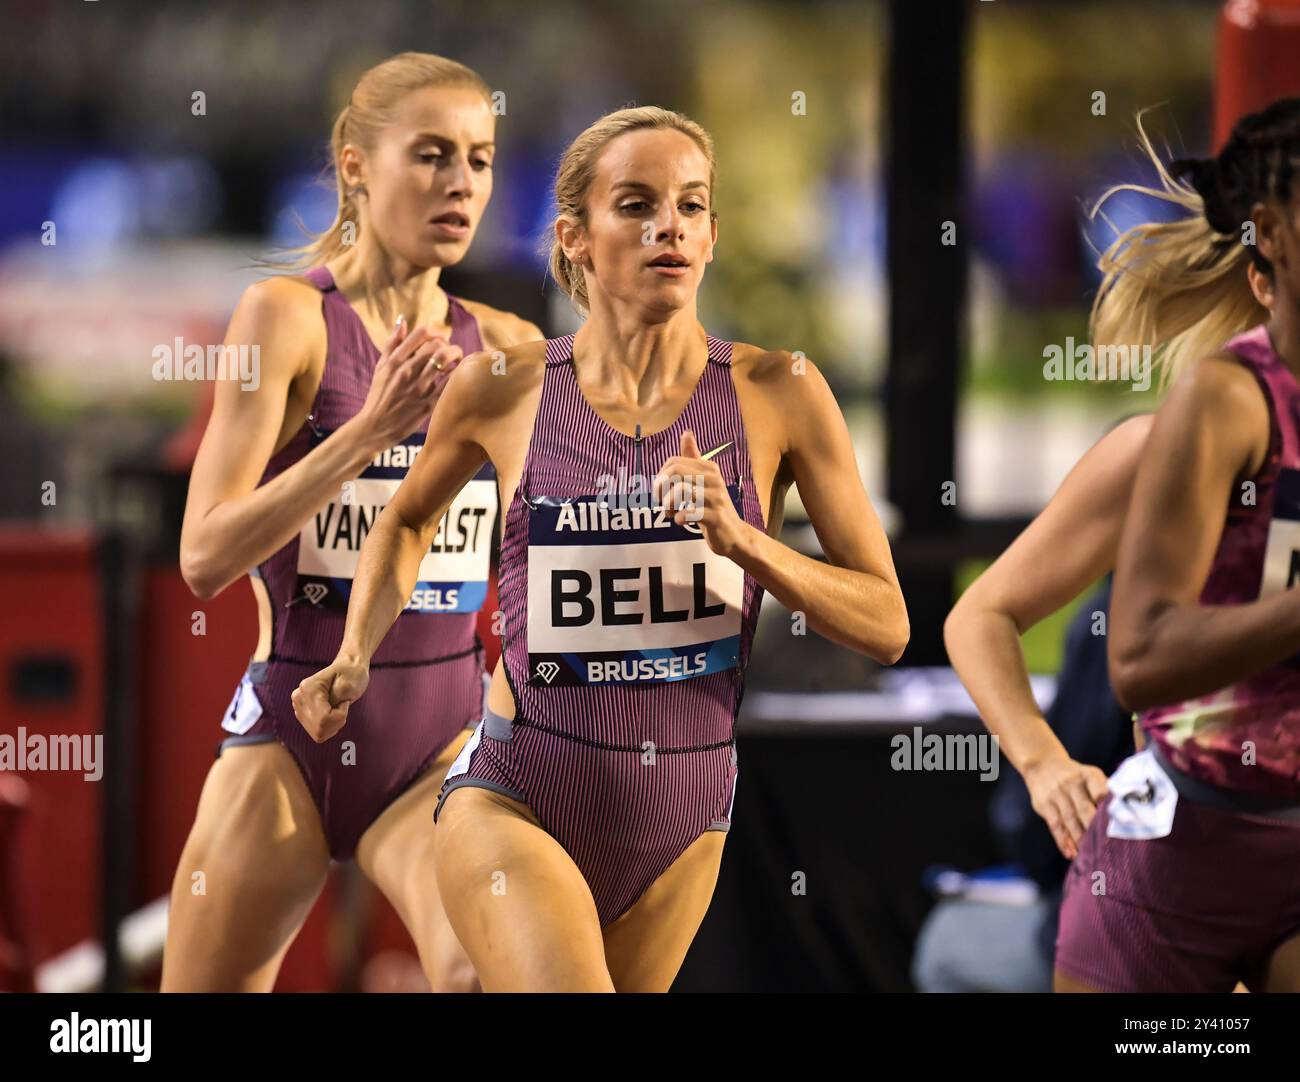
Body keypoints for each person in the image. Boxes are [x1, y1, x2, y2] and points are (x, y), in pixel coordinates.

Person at [292, 105, 909, 992]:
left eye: (691, 206)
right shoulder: (501, 389)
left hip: (685, 817)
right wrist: (355, 652)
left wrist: (742, 541)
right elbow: (406, 520)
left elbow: (886, 624)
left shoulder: (782, 392)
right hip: (517, 791)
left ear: (712, 235)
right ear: (575, 238)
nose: (669, 226)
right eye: (637, 204)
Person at [162, 52, 542, 993]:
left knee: (481, 975)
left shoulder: (504, 348)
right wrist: (365, 433)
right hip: (292, 738)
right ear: (355, 163)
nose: (461, 183)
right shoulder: (284, 319)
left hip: (444, 737)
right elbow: (205, 556)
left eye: (481, 159)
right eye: (431, 154)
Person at [1064, 98, 1300, 992]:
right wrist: (1047, 767)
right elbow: (1134, 656)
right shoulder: (1206, 415)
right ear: (1268, 248)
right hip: (1187, 840)